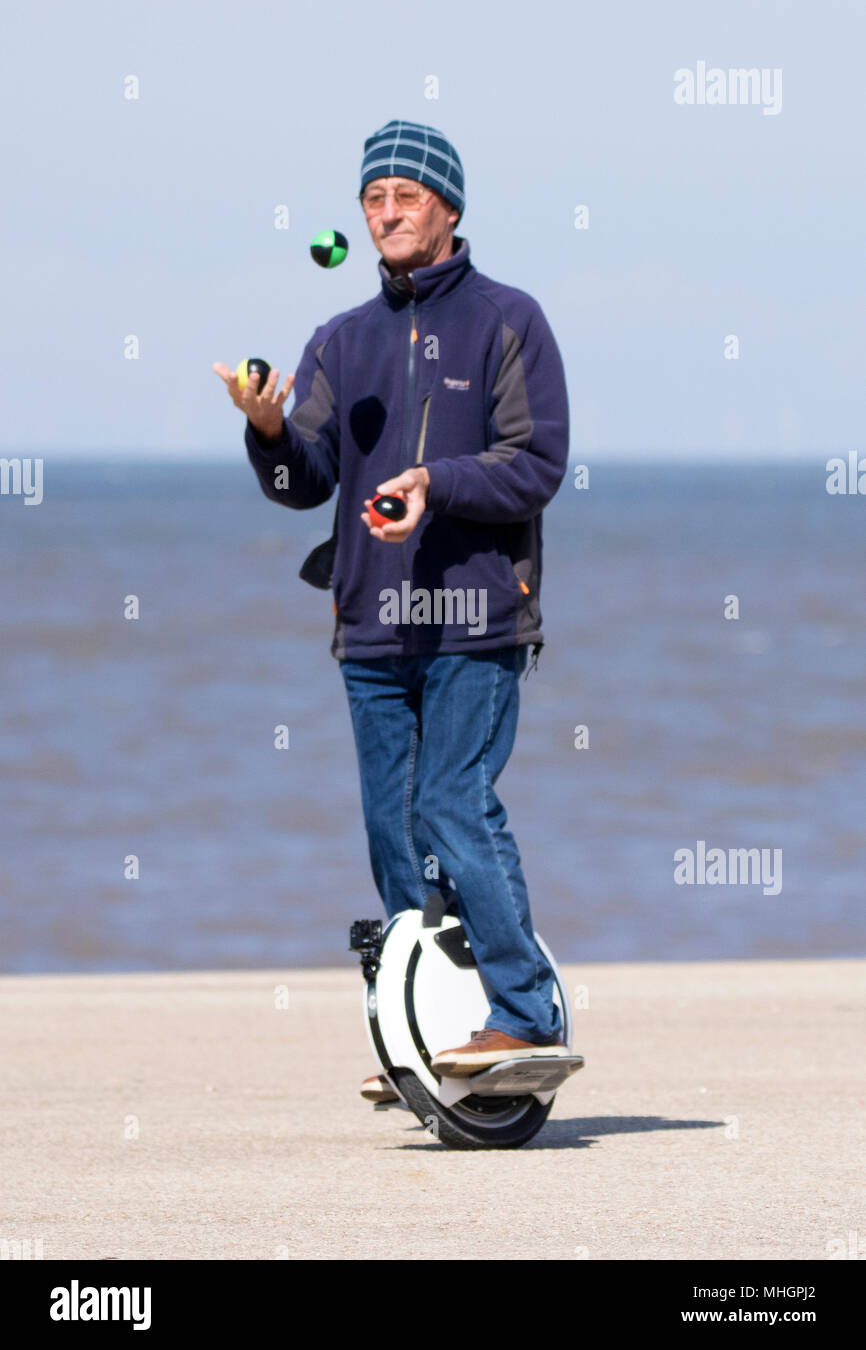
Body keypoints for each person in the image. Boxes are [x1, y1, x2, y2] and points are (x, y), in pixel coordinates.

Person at [213, 119, 570, 1099]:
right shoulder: (340, 339)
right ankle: (422, 1023)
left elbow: (533, 465)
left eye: (404, 196)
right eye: (373, 198)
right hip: (370, 623)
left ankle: (525, 1010)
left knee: (455, 805)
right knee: (394, 834)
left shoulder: (508, 320)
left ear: (447, 209)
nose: (385, 212)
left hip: (475, 616)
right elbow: (303, 479)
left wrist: (432, 481)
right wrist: (269, 429)